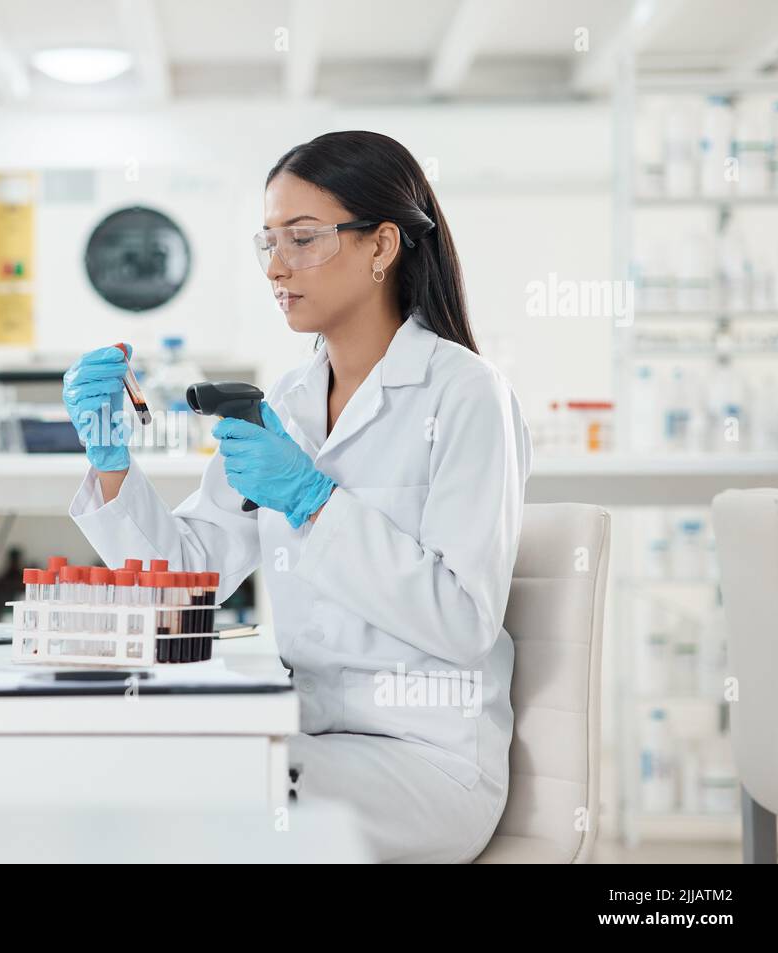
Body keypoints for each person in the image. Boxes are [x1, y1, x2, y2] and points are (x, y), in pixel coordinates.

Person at [61, 131, 532, 863]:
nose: (277, 267)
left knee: (204, 803)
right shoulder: (286, 400)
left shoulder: (467, 394)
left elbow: (464, 619)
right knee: (138, 770)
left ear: (382, 247)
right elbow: (186, 583)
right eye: (269, 242)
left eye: (304, 239)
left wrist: (315, 502)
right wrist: (112, 459)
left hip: (427, 760)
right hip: (311, 732)